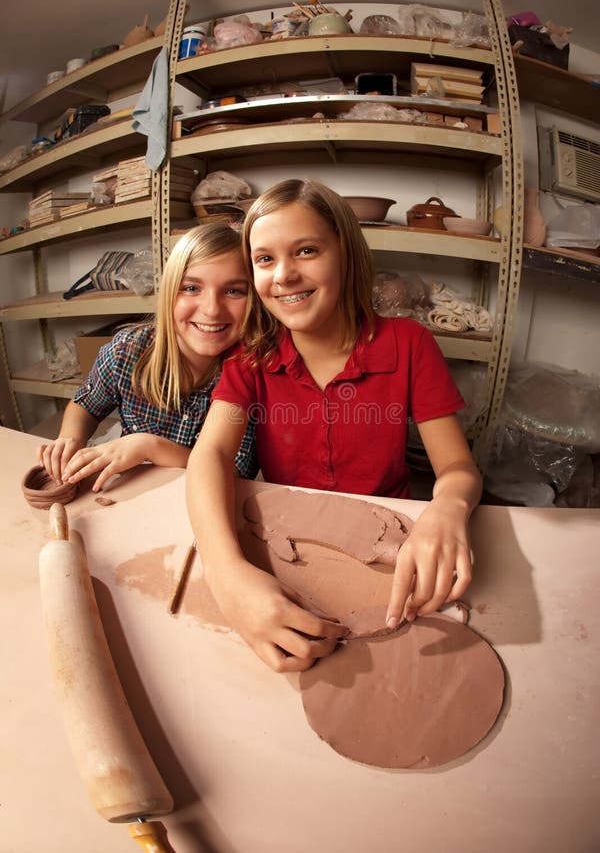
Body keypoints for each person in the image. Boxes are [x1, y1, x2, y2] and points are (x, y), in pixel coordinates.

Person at [186, 178, 482, 673]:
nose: (285, 275)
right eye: (264, 259)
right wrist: (226, 571)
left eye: (306, 251)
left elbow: (457, 467)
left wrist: (449, 505)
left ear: (346, 252)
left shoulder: (409, 344)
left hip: (387, 544)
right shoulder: (250, 357)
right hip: (291, 540)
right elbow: (210, 454)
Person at [38, 223, 257, 492]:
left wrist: (149, 446)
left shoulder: (253, 372)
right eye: (191, 288)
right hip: (133, 493)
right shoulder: (127, 350)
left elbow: (233, 472)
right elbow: (85, 405)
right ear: (168, 293)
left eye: (233, 291)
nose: (212, 309)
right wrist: (70, 437)